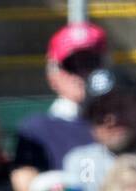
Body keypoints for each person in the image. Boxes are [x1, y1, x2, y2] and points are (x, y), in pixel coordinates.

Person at [14, 22, 109, 172]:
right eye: (71, 65)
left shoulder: (122, 123)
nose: (82, 73)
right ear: (52, 75)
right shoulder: (37, 131)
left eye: (90, 63)